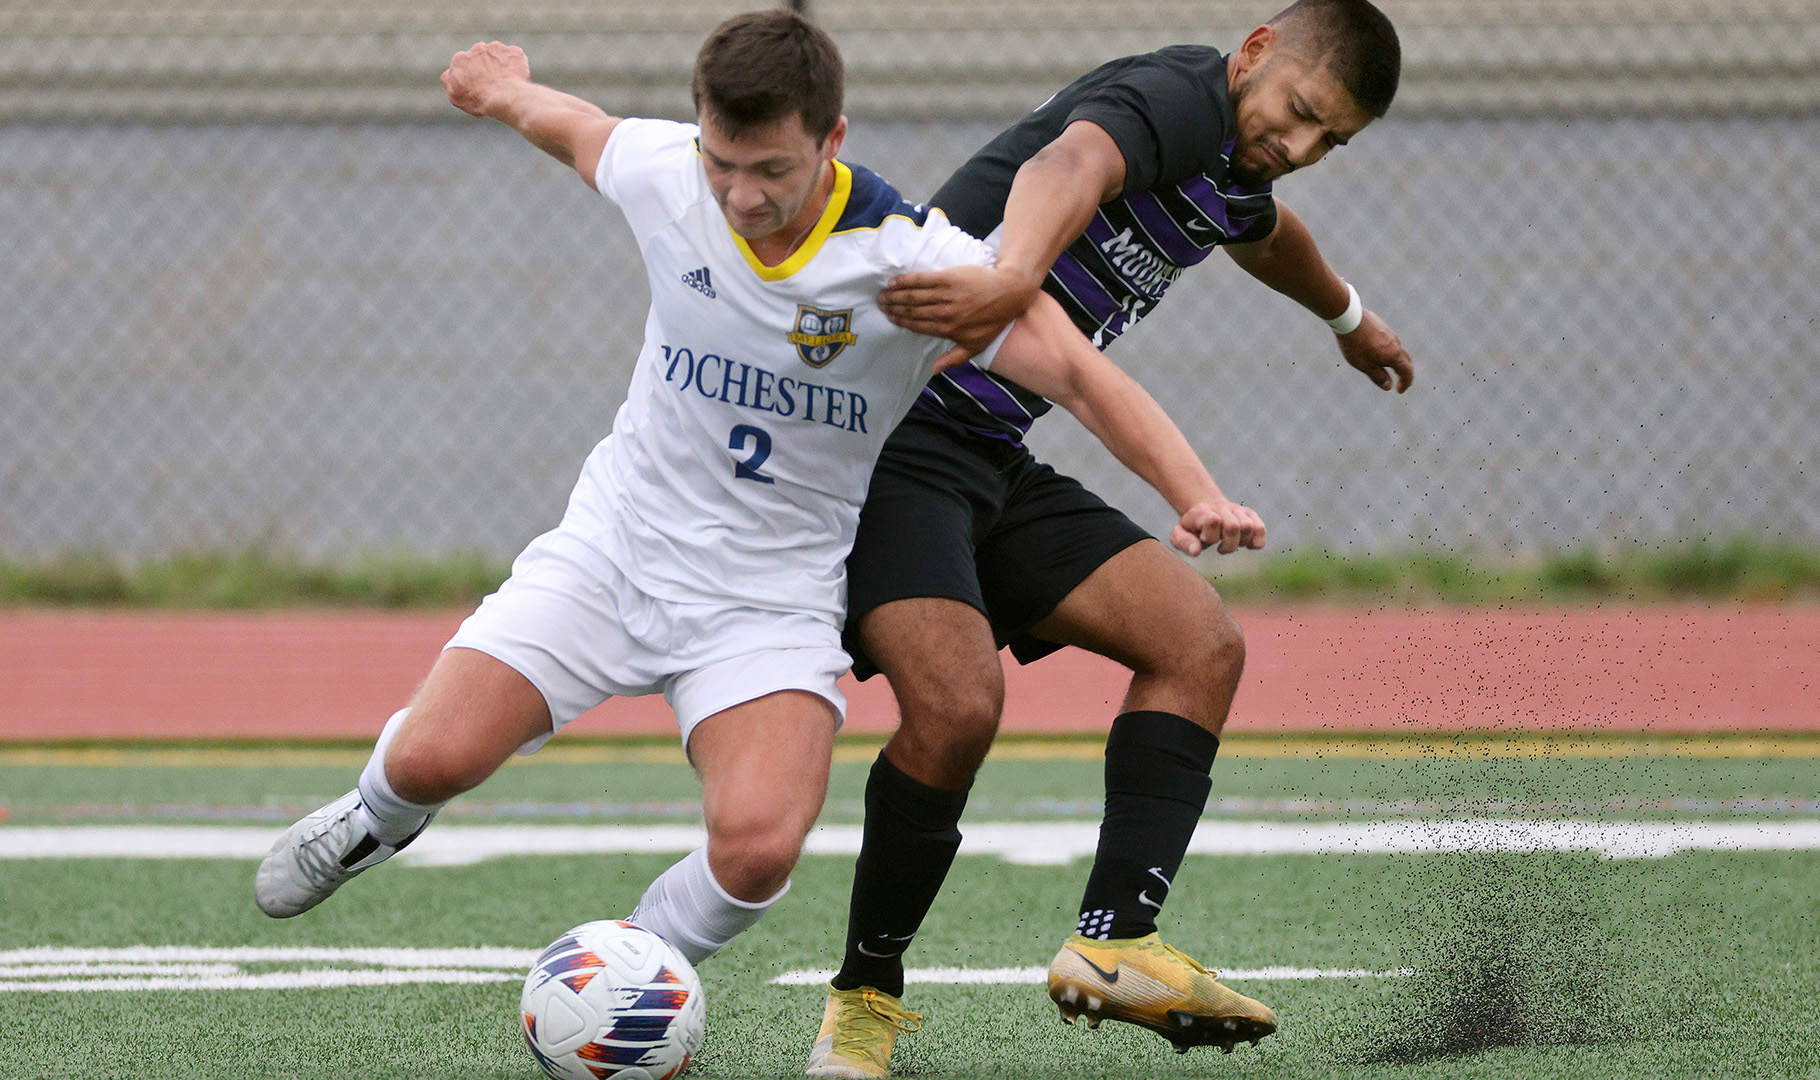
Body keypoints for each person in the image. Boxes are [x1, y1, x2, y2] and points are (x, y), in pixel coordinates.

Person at [250, 5, 1262, 1019]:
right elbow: (570, 125)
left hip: (769, 602)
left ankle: (626, 975)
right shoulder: (667, 173)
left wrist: (1196, 493)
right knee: (433, 758)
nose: (741, 195)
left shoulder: (912, 264)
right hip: (612, 555)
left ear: (833, 141)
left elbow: (1083, 378)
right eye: (724, 162)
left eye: (772, 170)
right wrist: (496, 87)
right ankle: (373, 817)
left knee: (757, 853)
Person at [808, 0, 1414, 1074]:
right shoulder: (1181, 98)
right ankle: (863, 998)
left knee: (1199, 644)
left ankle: (1114, 943)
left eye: (1335, 142)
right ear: (1259, 52)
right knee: (956, 710)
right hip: (896, 444)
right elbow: (1068, 163)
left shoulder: (1238, 162)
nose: (1304, 147)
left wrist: (1347, 317)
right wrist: (1010, 274)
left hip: (987, 456)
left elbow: (1268, 234)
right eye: (1304, 115)